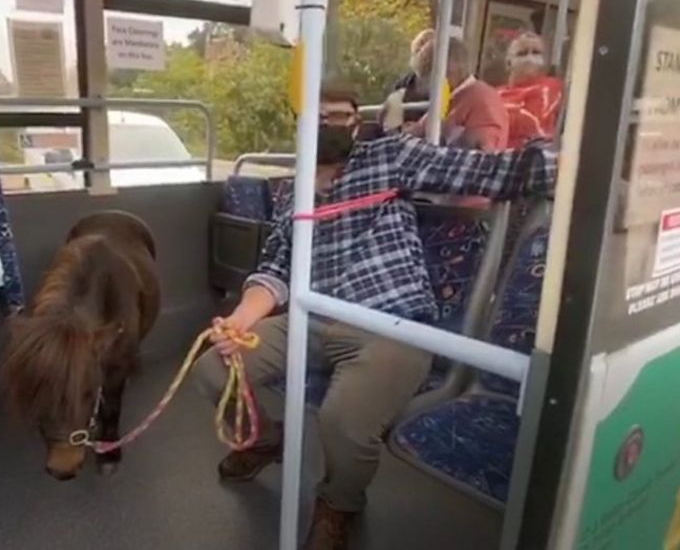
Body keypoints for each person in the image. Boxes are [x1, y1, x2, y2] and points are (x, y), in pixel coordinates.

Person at [194, 125, 556, 550]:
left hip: (391, 323)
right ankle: (267, 441)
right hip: (311, 317)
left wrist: (564, 163)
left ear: (354, 124)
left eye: (339, 112)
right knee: (213, 369)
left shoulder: (390, 158)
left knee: (343, 421)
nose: (329, 119)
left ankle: (339, 503)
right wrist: (240, 320)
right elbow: (275, 270)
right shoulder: (294, 193)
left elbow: (503, 175)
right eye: (320, 110)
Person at [409, 37, 510, 151]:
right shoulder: (448, 99)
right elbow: (418, 131)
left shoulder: (484, 101)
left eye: (427, 76)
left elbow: (483, 154)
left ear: (451, 67)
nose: (427, 86)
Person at [498, 32, 564, 148]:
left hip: (524, 156)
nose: (530, 58)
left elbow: (531, 123)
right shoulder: (495, 93)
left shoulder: (549, 87)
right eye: (522, 53)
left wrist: (490, 121)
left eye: (536, 52)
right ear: (508, 62)